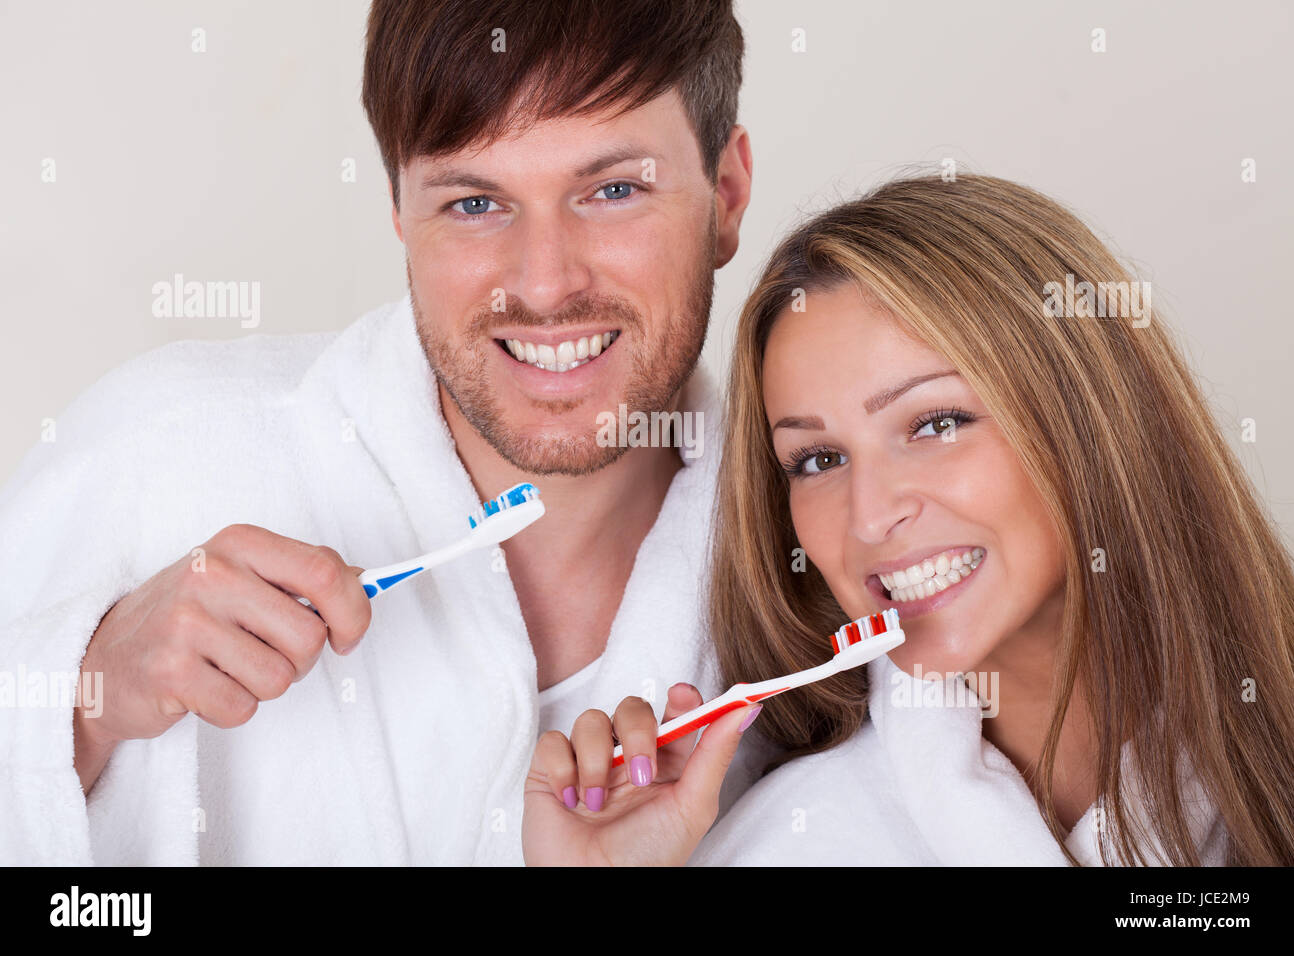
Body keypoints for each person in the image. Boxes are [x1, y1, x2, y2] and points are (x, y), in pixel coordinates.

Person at [0, 0, 759, 865]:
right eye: (475, 203)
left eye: (614, 190)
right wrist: (83, 698)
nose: (545, 285)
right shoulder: (156, 452)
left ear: (726, 197)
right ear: (400, 211)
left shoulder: (830, 566)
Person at [523, 173, 1294, 866]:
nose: (869, 516)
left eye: (934, 425)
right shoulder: (794, 841)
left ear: (1087, 421)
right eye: (818, 461)